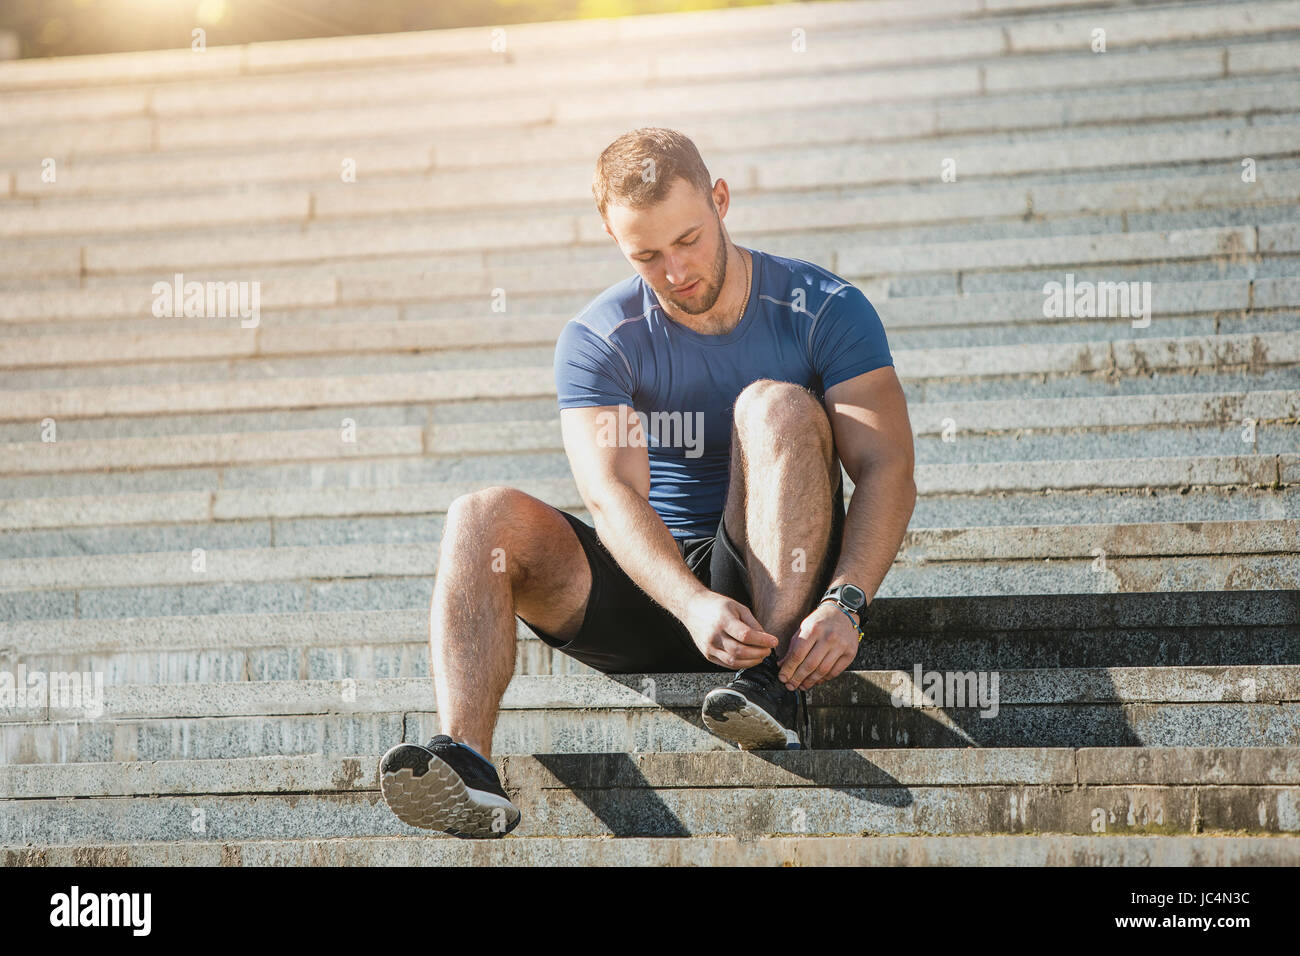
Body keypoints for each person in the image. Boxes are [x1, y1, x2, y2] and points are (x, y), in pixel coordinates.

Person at [378, 127, 916, 838]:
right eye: (647, 256)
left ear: (721, 201)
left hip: (771, 571)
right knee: (481, 515)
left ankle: (772, 687)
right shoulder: (602, 337)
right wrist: (691, 604)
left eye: (689, 239)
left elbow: (887, 469)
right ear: (614, 239)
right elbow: (613, 497)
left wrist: (848, 601)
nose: (676, 271)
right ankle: (468, 761)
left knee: (774, 404)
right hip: (655, 584)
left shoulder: (822, 306)